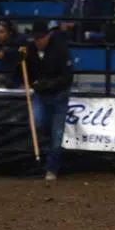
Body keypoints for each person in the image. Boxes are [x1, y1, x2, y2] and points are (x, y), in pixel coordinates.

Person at [22, 20, 73, 180]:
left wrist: (46, 84)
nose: (37, 42)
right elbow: (22, 73)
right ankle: (47, 157)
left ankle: (52, 168)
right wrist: (20, 60)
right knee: (38, 123)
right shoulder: (29, 50)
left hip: (58, 95)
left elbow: (67, 77)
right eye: (35, 39)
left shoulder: (60, 49)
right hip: (40, 95)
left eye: (40, 38)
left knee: (57, 134)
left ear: (47, 36)